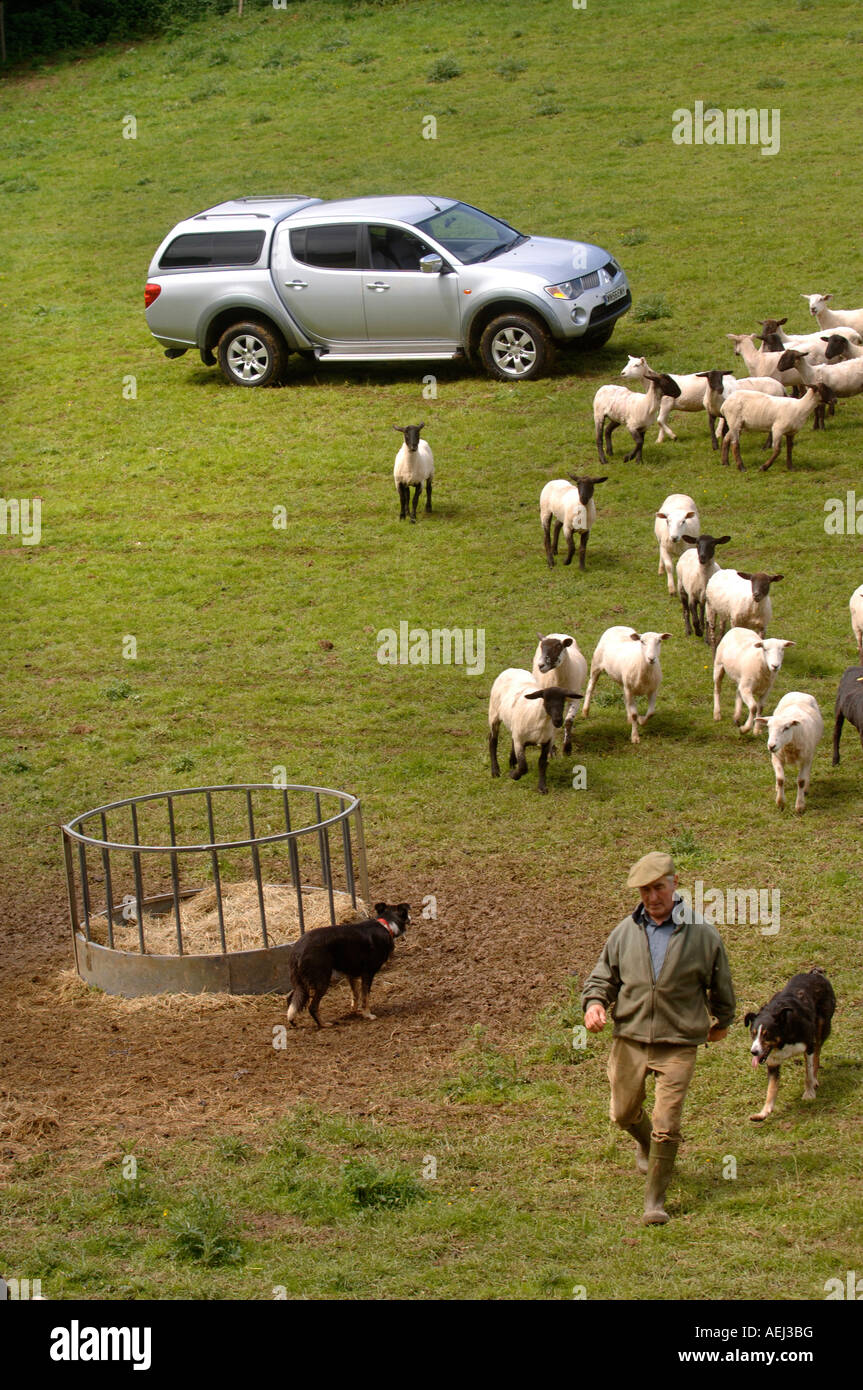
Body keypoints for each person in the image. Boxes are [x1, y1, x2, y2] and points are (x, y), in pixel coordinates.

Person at [581, 851, 736, 1224]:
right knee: (621, 1114)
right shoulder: (624, 932)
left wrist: (723, 1020)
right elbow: (602, 977)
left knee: (667, 1124)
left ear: (675, 884)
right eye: (645, 891)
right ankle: (645, 1147)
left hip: (678, 1043)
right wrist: (594, 1004)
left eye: (658, 888)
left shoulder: (703, 933)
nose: (652, 897)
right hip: (630, 1038)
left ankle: (655, 1202)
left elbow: (721, 984)